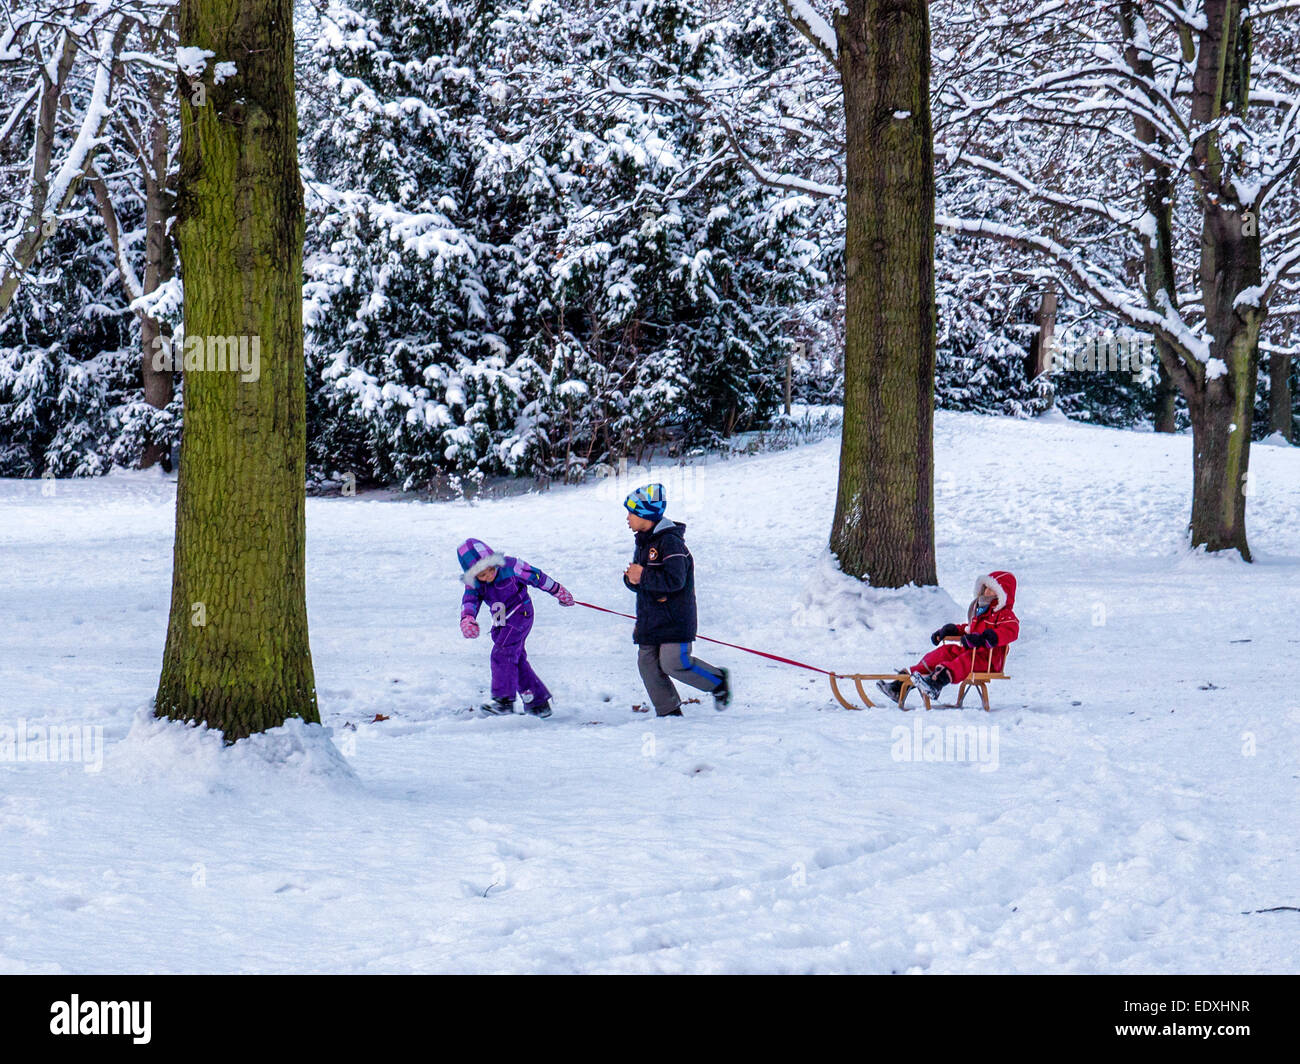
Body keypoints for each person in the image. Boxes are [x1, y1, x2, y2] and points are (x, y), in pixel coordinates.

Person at [622, 483, 730, 717]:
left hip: (674, 618)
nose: (627, 517)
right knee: (647, 663)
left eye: (631, 512)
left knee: (673, 663)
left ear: (645, 514)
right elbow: (641, 579)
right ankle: (668, 710)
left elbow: (675, 580)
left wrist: (643, 575)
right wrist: (632, 579)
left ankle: (717, 681)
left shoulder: (670, 542)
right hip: (650, 618)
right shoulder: (643, 541)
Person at [458, 538, 574, 717]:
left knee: (502, 653)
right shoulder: (474, 583)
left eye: (491, 569)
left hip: (521, 614)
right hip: (501, 621)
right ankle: (537, 703)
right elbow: (470, 599)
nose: (489, 576)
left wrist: (558, 591)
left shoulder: (511, 566)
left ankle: (503, 701)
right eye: (482, 575)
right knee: (515, 658)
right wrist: (467, 618)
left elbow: (537, 577)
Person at [878, 570, 1019, 704]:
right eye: (986, 588)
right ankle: (902, 684)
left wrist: (985, 638)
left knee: (965, 660)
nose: (987, 592)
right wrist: (950, 631)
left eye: (992, 590)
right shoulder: (980, 613)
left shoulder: (1005, 615)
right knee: (945, 652)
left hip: (988, 660)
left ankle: (936, 682)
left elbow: (1010, 630)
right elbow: (968, 629)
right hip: (971, 652)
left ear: (1002, 595)